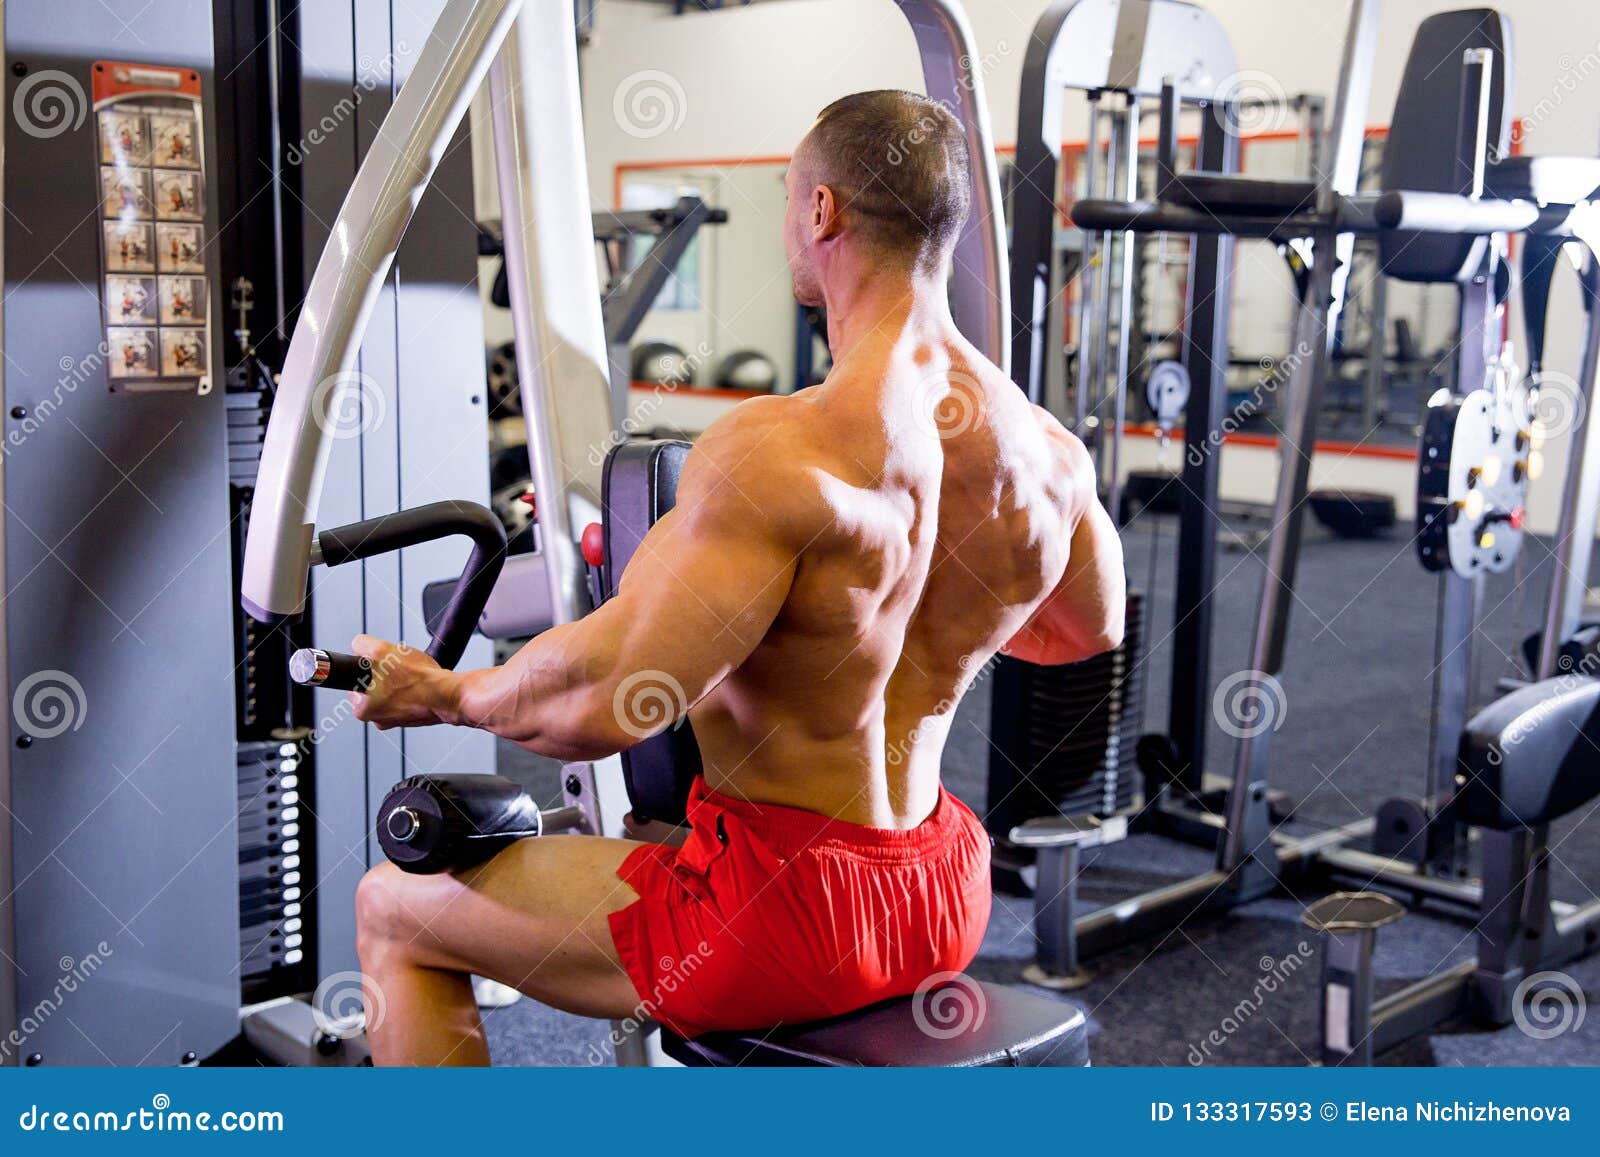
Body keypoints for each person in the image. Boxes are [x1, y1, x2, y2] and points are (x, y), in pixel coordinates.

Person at [348, 89, 1125, 1065]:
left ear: (821, 212)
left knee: (393, 906)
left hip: (779, 915)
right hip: (942, 890)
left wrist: (446, 690)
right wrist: (916, 623)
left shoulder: (782, 449)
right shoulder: (1046, 454)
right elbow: (1078, 631)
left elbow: (607, 701)